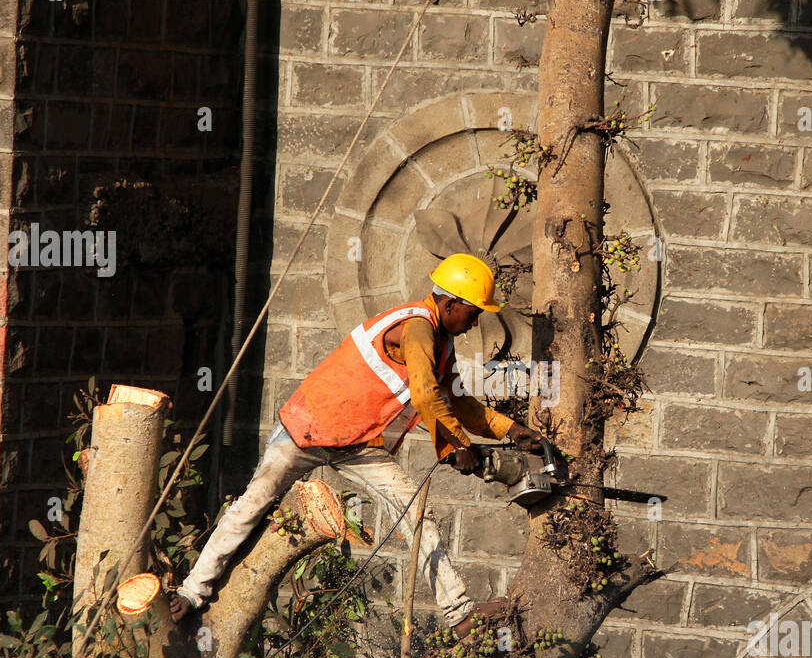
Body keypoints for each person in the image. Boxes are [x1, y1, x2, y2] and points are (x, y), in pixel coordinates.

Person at [170, 253, 544, 638]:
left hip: (357, 442)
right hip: (310, 427)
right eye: (474, 312)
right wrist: (460, 445)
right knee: (250, 506)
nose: (476, 322)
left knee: (416, 512)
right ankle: (192, 591)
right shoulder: (418, 329)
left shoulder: (441, 344)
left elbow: (458, 401)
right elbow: (427, 396)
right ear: (450, 304)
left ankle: (460, 614)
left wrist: (511, 430)